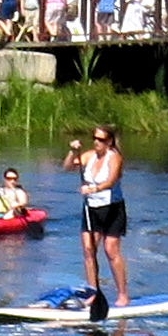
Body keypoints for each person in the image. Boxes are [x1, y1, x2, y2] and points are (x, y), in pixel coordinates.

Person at [68, 121, 133, 315]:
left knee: (110, 250)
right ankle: (93, 293)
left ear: (110, 141)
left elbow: (111, 180)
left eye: (101, 139)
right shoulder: (88, 156)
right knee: (89, 250)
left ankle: (122, 294)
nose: (96, 142)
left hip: (112, 208)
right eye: (94, 138)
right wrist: (72, 152)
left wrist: (93, 188)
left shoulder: (115, 158)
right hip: (91, 208)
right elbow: (67, 166)